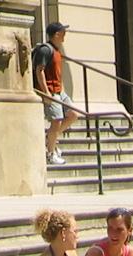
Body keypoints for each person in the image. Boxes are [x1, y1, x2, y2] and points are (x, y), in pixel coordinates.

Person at [33, 21, 80, 166]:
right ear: (57, 34)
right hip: (51, 91)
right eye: (63, 32)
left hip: (59, 91)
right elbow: (39, 70)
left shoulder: (57, 50)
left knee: (73, 114)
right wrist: (46, 92)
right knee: (56, 121)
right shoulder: (45, 50)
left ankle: (50, 139)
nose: (65, 35)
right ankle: (50, 153)